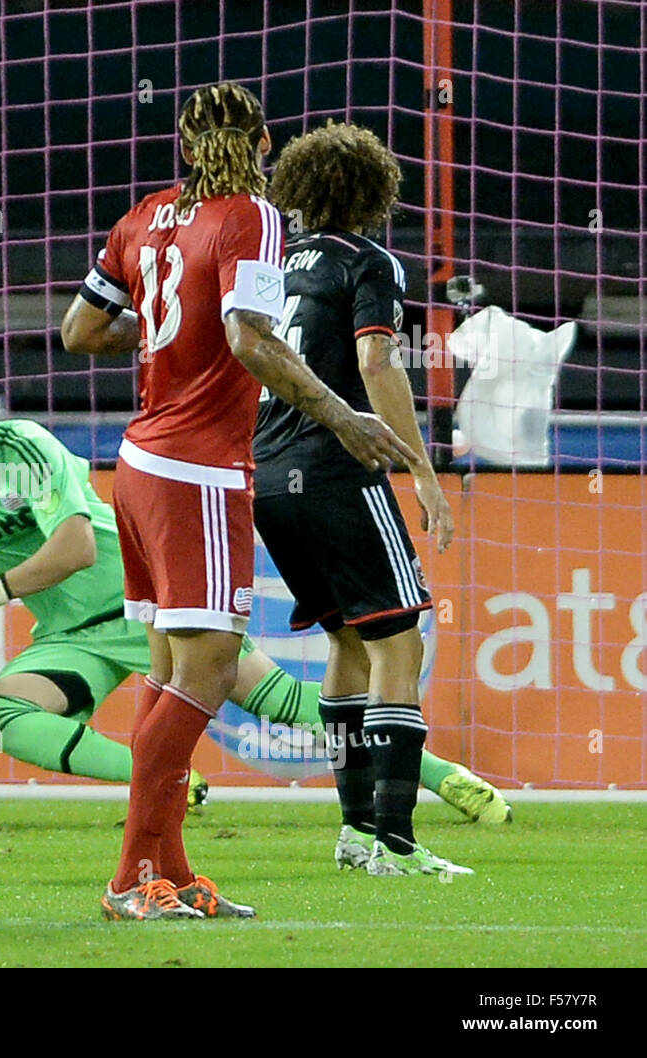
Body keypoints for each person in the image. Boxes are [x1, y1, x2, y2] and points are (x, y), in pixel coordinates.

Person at [0, 352, 511, 827]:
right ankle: (166, 776)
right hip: (72, 640)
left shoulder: (28, 447)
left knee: (286, 705)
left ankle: (443, 775)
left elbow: (78, 546)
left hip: (151, 605)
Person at [60, 82, 417, 920]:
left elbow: (80, 331)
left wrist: (163, 328)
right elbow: (250, 342)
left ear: (185, 146)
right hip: (201, 468)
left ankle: (172, 873)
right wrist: (342, 415)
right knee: (211, 670)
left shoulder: (142, 217)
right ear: (262, 141)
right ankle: (126, 878)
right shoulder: (253, 214)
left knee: (167, 671)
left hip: (139, 460)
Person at [260, 122, 477, 876]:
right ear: (374, 191)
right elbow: (376, 360)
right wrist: (420, 470)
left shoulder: (270, 263)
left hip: (265, 475)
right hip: (335, 468)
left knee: (347, 644)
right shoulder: (369, 261)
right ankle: (395, 840)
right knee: (399, 642)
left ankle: (356, 836)